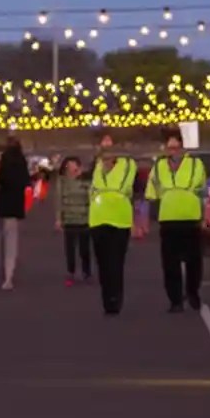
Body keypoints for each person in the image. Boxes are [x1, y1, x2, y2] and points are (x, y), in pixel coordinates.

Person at [143, 130, 207, 312]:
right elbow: (151, 193)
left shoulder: (196, 164)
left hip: (191, 218)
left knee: (194, 262)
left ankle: (192, 292)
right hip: (168, 219)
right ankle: (175, 300)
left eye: (176, 148)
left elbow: (203, 192)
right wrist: (146, 219)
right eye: (170, 148)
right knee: (170, 264)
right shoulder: (158, 167)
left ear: (183, 148)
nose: (173, 151)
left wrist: (205, 216)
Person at [87, 130, 140, 315]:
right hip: (98, 218)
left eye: (110, 142)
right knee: (102, 262)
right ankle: (106, 300)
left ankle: (116, 299)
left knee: (116, 262)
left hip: (119, 218)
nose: (107, 145)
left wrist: (138, 220)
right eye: (104, 142)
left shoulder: (127, 164)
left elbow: (132, 189)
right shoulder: (96, 165)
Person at [0, 135, 30, 290]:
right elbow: (26, 181)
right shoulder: (21, 160)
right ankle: (9, 275)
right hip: (15, 206)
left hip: (1, 203)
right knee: (11, 241)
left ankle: (0, 270)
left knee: (1, 239)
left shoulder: (2, 158)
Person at [54, 156, 92, 286]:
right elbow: (59, 201)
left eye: (73, 166)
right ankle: (70, 272)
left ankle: (87, 272)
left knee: (84, 249)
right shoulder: (62, 181)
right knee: (70, 249)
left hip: (84, 218)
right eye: (68, 166)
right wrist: (59, 219)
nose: (71, 169)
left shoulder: (85, 180)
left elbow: (91, 197)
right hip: (69, 219)